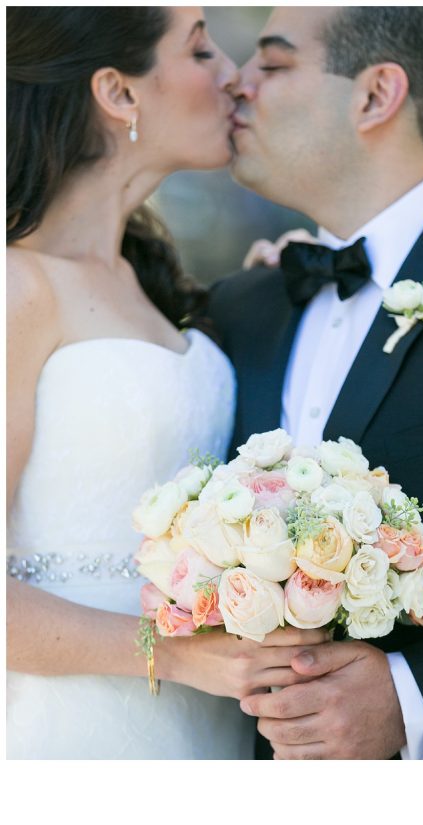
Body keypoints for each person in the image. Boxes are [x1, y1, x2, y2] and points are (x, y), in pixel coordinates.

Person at [6, 6, 329, 759]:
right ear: (119, 93)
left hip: (206, 724)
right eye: (200, 50)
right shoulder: (17, 288)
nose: (234, 76)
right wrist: (177, 655)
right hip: (73, 730)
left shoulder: (152, 287)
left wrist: (273, 297)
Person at [206, 6, 423, 759]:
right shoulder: (242, 305)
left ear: (376, 95)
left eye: (273, 63)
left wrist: (415, 700)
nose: (235, 82)